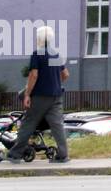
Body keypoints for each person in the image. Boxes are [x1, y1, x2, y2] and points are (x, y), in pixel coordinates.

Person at [6, 25, 70, 163]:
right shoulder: (56, 54)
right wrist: (55, 83)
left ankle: (15, 154)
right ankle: (63, 155)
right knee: (57, 125)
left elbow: (34, 75)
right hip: (56, 96)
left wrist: (27, 94)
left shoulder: (37, 54)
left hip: (40, 96)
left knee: (28, 123)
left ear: (40, 38)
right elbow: (65, 74)